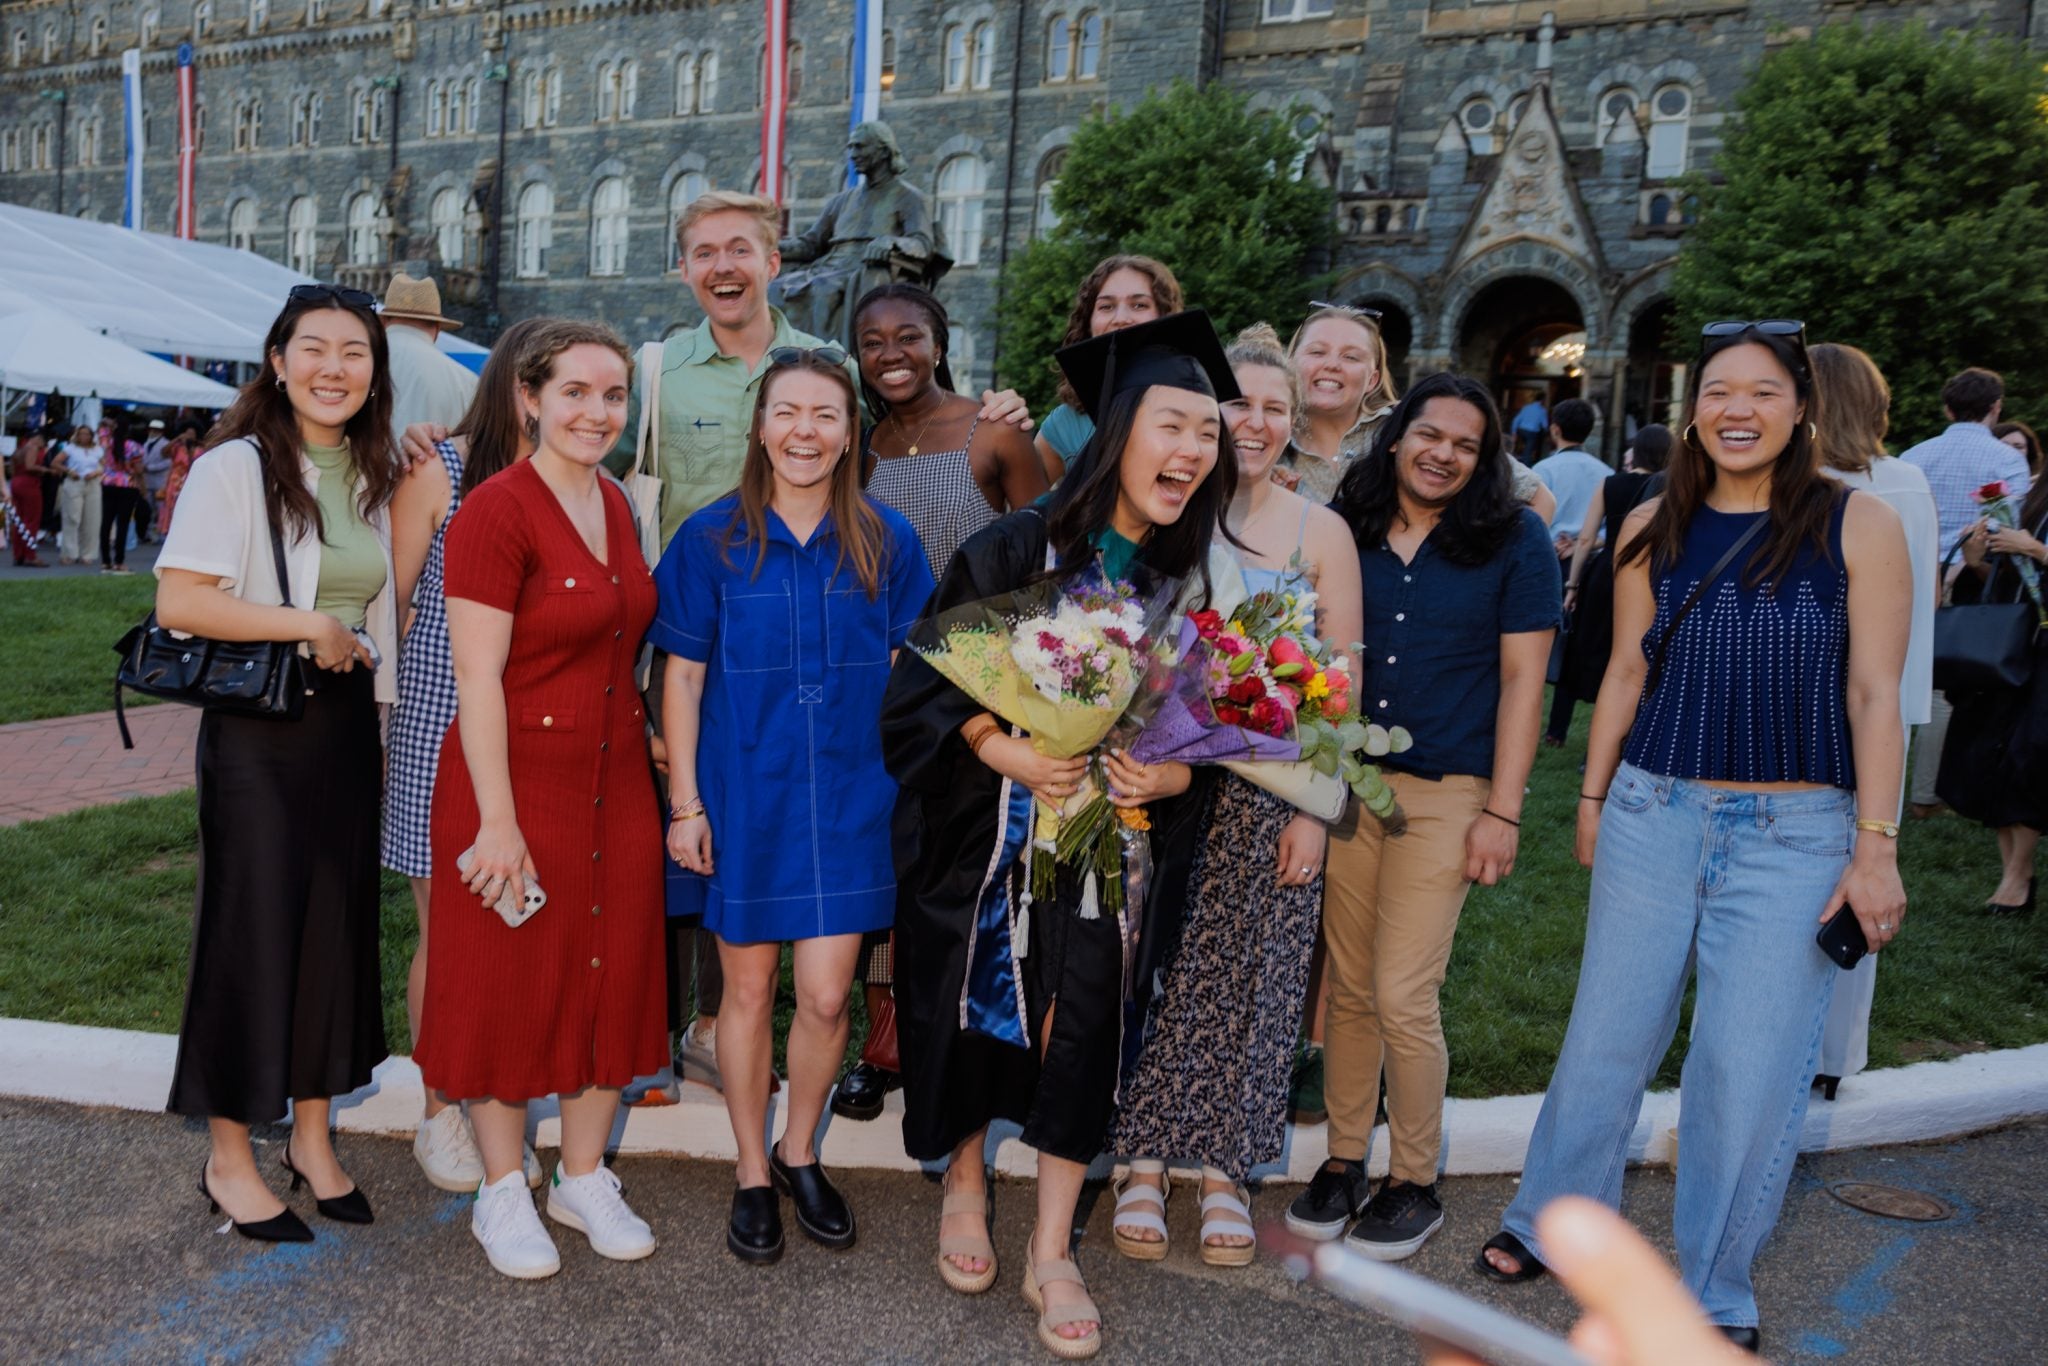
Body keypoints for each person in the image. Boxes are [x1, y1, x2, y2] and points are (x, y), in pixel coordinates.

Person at [1477, 321, 1910, 1357]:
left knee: (1744, 1064)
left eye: (1762, 392)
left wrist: (1876, 844)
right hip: (1651, 810)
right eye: (1718, 391)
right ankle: (1549, 1217)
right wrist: (1588, 796)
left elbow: (1873, 693)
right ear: (1691, 408)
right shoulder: (1647, 525)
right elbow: (1625, 670)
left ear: (1799, 407)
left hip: (1796, 830)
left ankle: (1710, 1281)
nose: (1737, 410)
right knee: (1605, 1035)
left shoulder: (1856, 525)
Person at [881, 310, 1241, 1358]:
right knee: (966, 1015)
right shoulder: (1014, 545)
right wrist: (1008, 753)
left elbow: (1214, 747)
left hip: (1109, 854)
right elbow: (920, 694)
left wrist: (1170, 770)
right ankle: (960, 1184)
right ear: (1118, 430)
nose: (1188, 451)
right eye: (1170, 425)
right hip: (984, 841)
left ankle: (1051, 1247)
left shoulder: (1191, 588)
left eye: (1205, 436)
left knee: (1078, 1031)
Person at [655, 347, 934, 1264]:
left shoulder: (889, 541)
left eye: (825, 415)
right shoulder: (708, 540)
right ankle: (748, 1168)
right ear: (761, 426)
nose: (805, 432)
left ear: (851, 432)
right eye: (788, 413)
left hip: (853, 798)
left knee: (823, 998)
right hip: (747, 795)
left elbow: (910, 672)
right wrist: (686, 805)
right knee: (747, 988)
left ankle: (798, 1148)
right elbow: (683, 678)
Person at [1284, 373, 1559, 1262]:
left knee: (1404, 991)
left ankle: (1414, 1179)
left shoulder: (1515, 540)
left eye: (1465, 444)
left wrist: (1504, 811)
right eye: (1428, 434)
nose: (1442, 453)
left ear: (1485, 459)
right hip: (1351, 782)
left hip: (1449, 791)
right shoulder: (1346, 527)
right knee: (1352, 989)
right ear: (1397, 436)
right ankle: (1343, 1160)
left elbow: (1525, 682)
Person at [1107, 322, 1362, 1267]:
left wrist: (1315, 810)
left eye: (1272, 408)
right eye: (1235, 406)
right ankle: (1140, 1155)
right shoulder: (1166, 516)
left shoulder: (1319, 531)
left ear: (1295, 423)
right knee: (1152, 966)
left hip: (1267, 788)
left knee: (1252, 976)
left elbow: (1339, 681)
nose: (1251, 423)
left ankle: (1222, 1168)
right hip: (1158, 783)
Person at [416, 322, 664, 1281]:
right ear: (528, 398)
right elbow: (476, 681)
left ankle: (584, 1175)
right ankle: (501, 1190)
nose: (597, 413)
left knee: (614, 970)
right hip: (509, 782)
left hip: (615, 787)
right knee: (510, 978)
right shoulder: (493, 512)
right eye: (576, 394)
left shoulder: (616, 502)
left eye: (612, 396)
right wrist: (498, 823)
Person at [156, 282, 401, 1244]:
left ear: (376, 372)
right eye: (315, 348)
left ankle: (312, 1137)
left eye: (355, 352)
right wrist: (306, 622)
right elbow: (182, 601)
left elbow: (378, 600)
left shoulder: (373, 467)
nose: (334, 368)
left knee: (334, 934)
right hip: (261, 729)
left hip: (344, 727)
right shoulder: (236, 468)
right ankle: (227, 1158)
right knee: (252, 934)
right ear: (277, 359)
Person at [835, 283, 1048, 1120]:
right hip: (889, 688)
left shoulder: (992, 432)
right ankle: (882, 1039)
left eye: (909, 337)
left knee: (963, 873)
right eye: (873, 340)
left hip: (984, 693)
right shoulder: (858, 447)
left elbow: (1045, 553)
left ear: (939, 340)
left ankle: (980, 1032)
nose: (891, 353)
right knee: (884, 868)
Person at [383, 318, 549, 1192]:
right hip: (441, 726)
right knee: (447, 927)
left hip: (542, 738)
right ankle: (441, 1106)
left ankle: (496, 1098)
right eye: (543, 382)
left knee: (517, 934)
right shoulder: (441, 468)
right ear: (513, 390)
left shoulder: (585, 486)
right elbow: (393, 603)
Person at [1809, 343, 1939, 1089]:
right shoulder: (1909, 483)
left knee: (1832, 870)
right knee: (1867, 866)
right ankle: (1838, 1055)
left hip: (1834, 693)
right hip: (1896, 696)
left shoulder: (1815, 486)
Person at [1901, 367, 2028, 819]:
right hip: (1975, 577)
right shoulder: (2007, 460)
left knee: (1905, 681)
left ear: (1947, 408)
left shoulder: (1916, 454)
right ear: (1996, 408)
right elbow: (2008, 522)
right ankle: (1932, 795)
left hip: (1913, 576)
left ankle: (1903, 790)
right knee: (1958, 688)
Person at [1938, 480, 2048, 917]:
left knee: (2029, 757)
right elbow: (2008, 584)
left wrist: (2037, 551)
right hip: (2017, 645)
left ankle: (2016, 880)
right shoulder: (2035, 497)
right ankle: (2013, 876)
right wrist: (1978, 560)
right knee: (1996, 754)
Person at [773, 121, 950, 351]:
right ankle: (782, 360)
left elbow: (923, 243)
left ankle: (828, 362)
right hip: (829, 264)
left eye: (860, 147)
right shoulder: (842, 201)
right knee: (775, 289)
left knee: (823, 290)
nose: (853, 154)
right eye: (851, 148)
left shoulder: (910, 197)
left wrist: (892, 242)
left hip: (867, 266)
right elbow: (811, 243)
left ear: (884, 151)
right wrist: (770, 247)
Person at [1552, 426, 1673, 742]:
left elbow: (1587, 537)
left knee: (1581, 645)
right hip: (1649, 571)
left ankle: (1556, 730)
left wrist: (1573, 585)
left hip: (1606, 571)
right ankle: (1617, 735)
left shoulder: (1610, 484)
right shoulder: (1668, 488)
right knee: (1631, 653)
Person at [1033, 254, 1185, 485]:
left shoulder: (1199, 408)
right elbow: (1023, 508)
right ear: (1089, 323)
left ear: (1164, 316)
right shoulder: (1067, 423)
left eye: (1139, 305)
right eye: (1106, 306)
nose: (1121, 318)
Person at [379, 272, 480, 443]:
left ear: (384, 321)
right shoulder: (466, 380)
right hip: (432, 468)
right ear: (438, 328)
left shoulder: (357, 362)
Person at [98, 422, 146, 574]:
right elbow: (138, 469)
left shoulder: (107, 443)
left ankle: (105, 561)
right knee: (123, 524)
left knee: (106, 522)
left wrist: (107, 426)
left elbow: (101, 430)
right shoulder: (133, 446)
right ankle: (119, 561)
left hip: (108, 483)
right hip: (127, 485)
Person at [53, 423, 103, 566]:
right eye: (81, 434)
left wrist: (97, 472)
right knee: (71, 517)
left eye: (87, 434)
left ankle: (88, 553)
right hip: (75, 482)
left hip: (92, 483)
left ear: (91, 436)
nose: (84, 437)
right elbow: (55, 462)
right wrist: (69, 471)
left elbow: (104, 466)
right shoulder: (71, 448)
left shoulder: (98, 449)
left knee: (92, 519)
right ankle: (69, 553)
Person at [7, 432, 49, 566]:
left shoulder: (20, 448)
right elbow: (30, 466)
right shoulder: (33, 447)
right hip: (29, 484)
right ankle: (30, 556)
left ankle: (18, 554)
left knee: (19, 520)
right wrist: (44, 470)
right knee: (31, 521)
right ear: (38, 439)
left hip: (16, 482)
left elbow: (12, 468)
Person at [158, 423, 202, 536]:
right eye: (187, 433)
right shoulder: (177, 447)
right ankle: (169, 530)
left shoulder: (199, 449)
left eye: (192, 434)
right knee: (171, 505)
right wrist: (177, 439)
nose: (189, 436)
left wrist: (190, 448)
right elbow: (163, 452)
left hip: (190, 479)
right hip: (174, 481)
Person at [139, 418, 171, 543]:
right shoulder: (146, 443)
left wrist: (149, 468)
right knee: (148, 509)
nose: (153, 431)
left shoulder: (166, 444)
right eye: (152, 429)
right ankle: (149, 534)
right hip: (147, 481)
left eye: (156, 430)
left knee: (160, 509)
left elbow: (169, 462)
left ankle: (161, 534)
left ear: (161, 431)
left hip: (159, 481)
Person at [1509, 394, 1549, 464]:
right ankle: (1526, 464)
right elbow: (1544, 425)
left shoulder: (1526, 407)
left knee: (1518, 446)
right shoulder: (1542, 411)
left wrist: (1514, 432)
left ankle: (1515, 459)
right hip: (1532, 433)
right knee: (1528, 450)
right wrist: (1547, 433)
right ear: (1543, 400)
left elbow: (1516, 420)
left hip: (1521, 430)